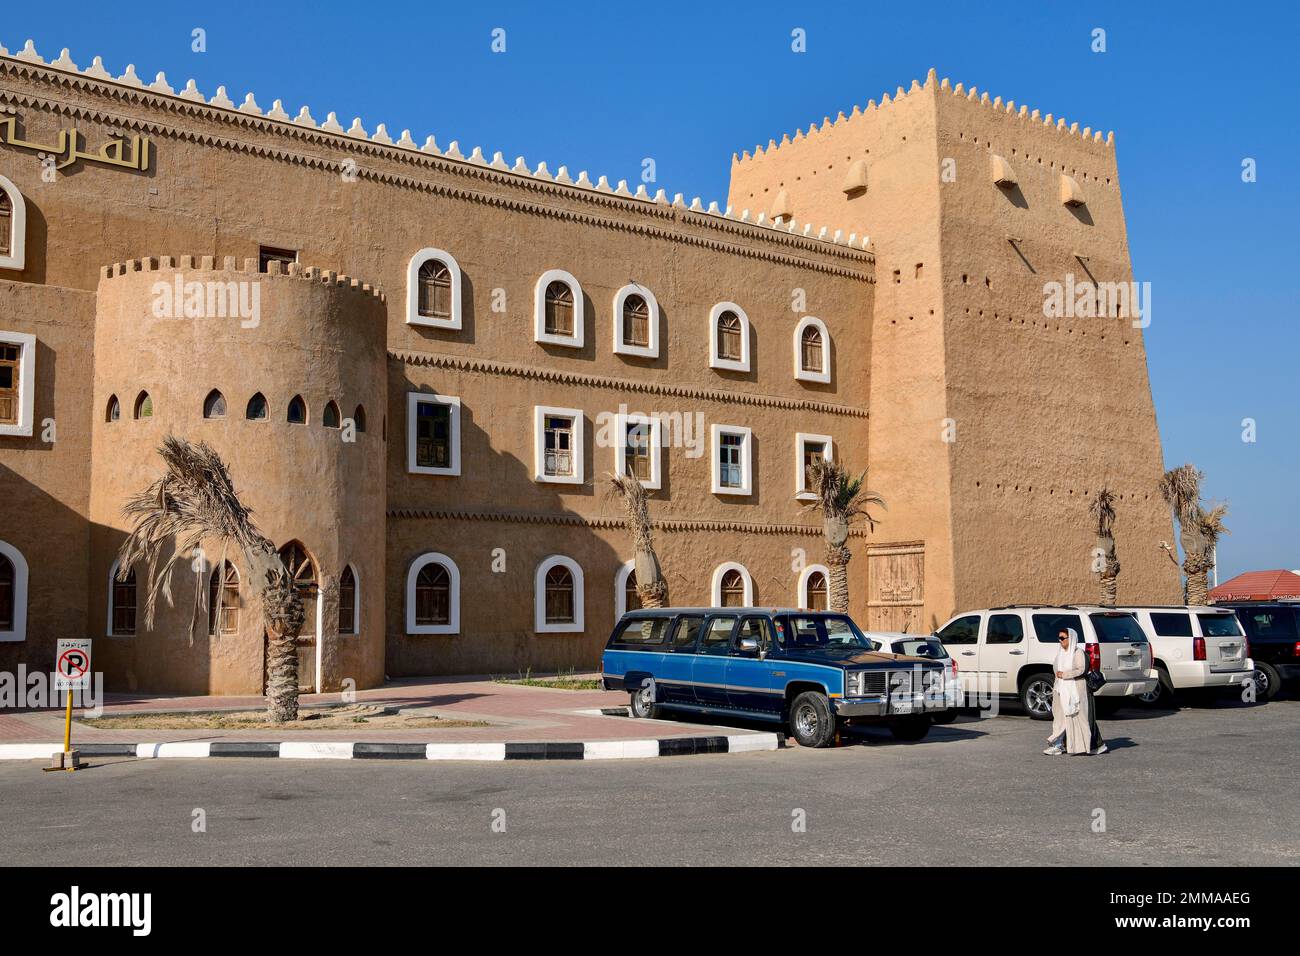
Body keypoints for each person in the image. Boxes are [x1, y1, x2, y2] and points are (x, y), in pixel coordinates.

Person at [1043, 627, 1090, 755]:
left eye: (1063, 638)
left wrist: (1065, 675)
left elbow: (1081, 669)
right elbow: (1055, 669)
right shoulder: (1060, 653)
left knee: (1075, 718)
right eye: (1059, 638)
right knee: (1059, 718)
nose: (1060, 640)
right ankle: (1058, 744)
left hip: (1074, 690)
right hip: (1060, 690)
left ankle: (1077, 746)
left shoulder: (1077, 653)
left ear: (1071, 638)